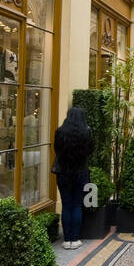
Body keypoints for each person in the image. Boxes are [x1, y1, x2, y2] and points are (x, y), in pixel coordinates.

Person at [53, 106, 95, 249]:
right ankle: (75, 239)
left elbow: (56, 150)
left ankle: (67, 239)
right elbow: (90, 151)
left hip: (63, 172)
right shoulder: (87, 132)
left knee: (66, 205)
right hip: (80, 172)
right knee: (77, 205)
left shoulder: (60, 132)